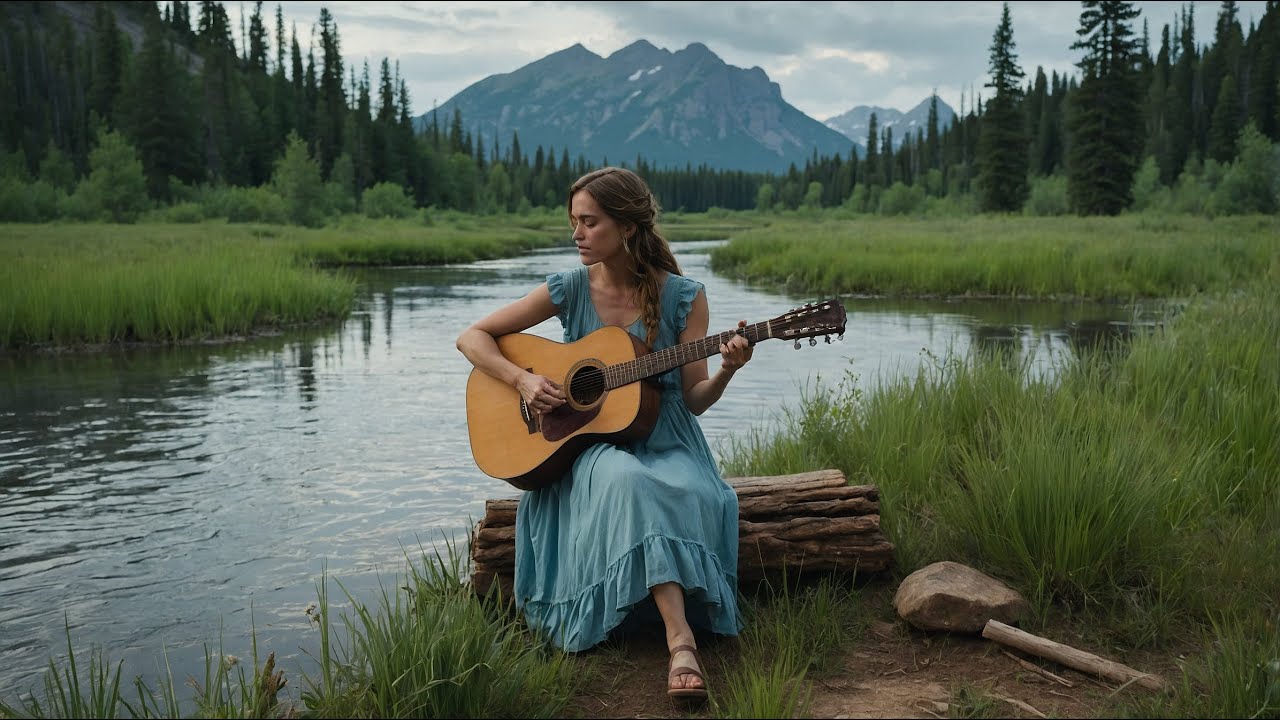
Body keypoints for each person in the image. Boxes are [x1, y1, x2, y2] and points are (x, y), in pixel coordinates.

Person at [455, 166, 752, 704]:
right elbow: (472, 337)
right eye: (574, 221)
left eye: (589, 222)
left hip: (667, 437)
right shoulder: (570, 288)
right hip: (592, 443)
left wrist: (727, 369)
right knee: (626, 481)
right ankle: (681, 641)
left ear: (627, 227)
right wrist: (522, 380)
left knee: (692, 490)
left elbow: (693, 399)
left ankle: (661, 611)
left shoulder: (685, 297)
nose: (577, 234)